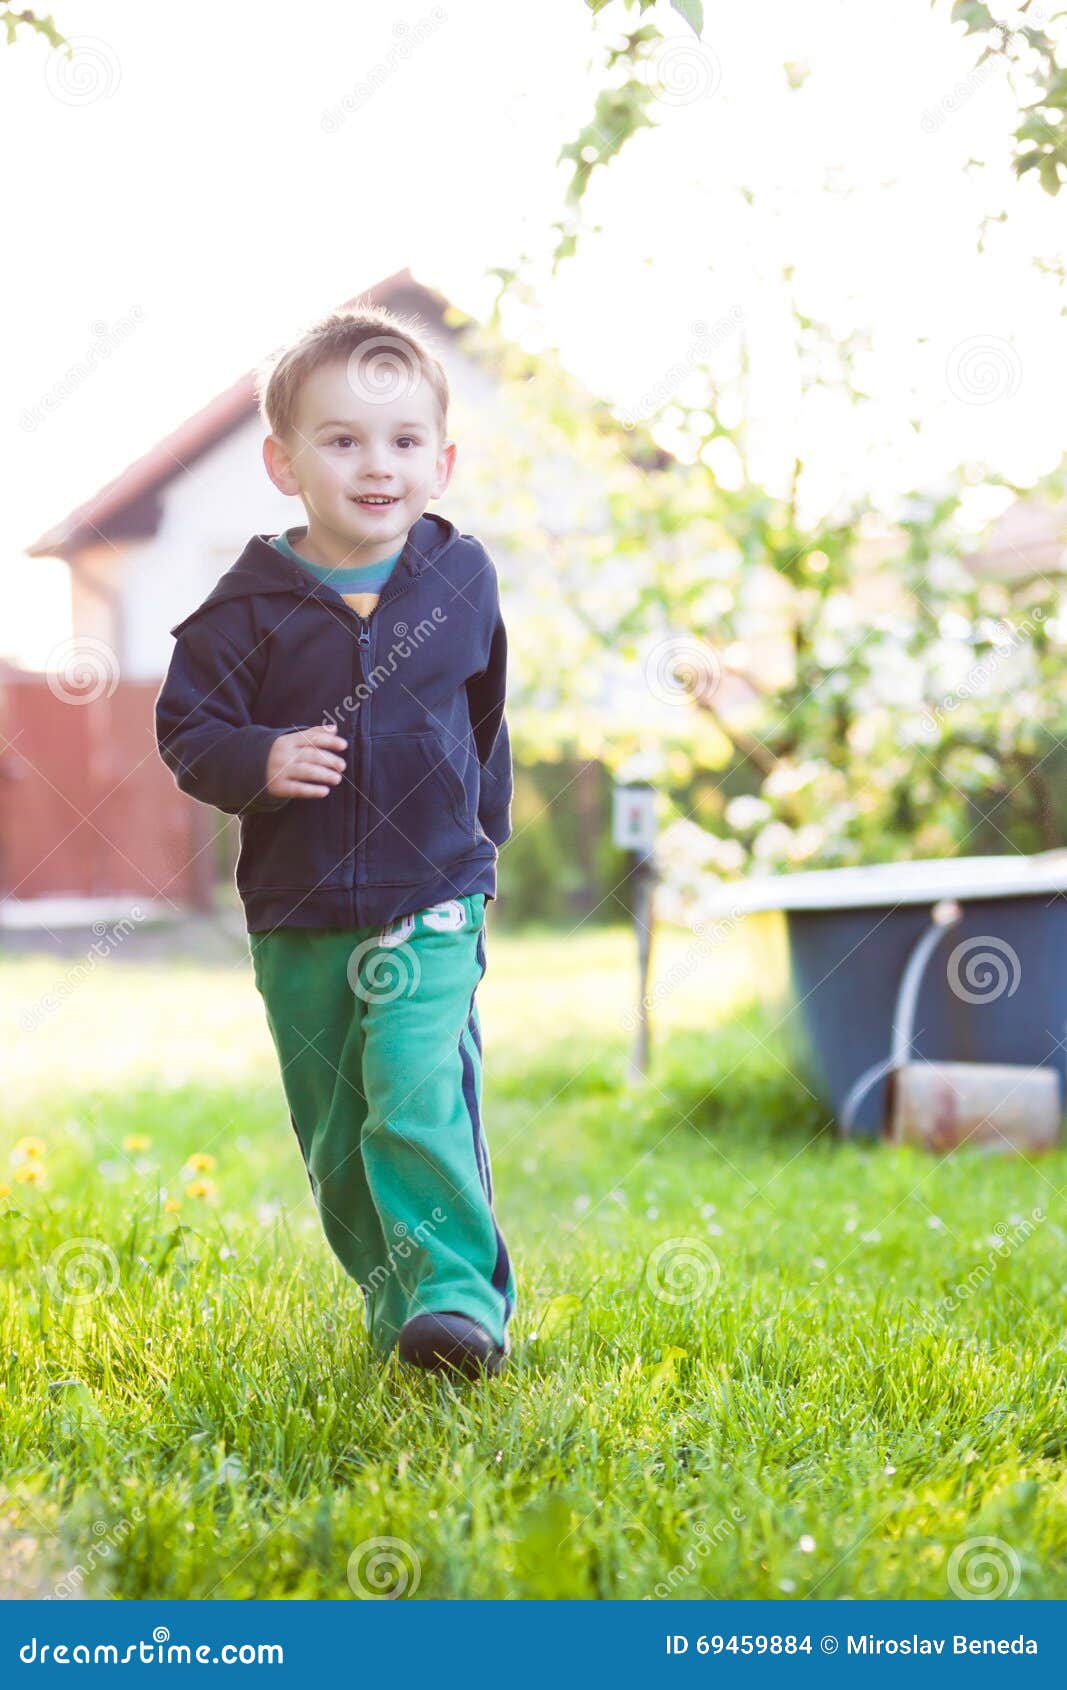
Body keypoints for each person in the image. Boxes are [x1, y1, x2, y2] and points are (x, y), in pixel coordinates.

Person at [154, 302, 516, 1380]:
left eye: (404, 441)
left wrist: (478, 845)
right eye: (342, 439)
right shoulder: (243, 608)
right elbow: (188, 731)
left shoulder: (461, 580)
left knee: (413, 1081)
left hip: (432, 889)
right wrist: (258, 760)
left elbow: (485, 719)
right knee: (338, 1127)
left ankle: (459, 1298)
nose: (377, 465)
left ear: (441, 461)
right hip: (300, 907)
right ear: (282, 461)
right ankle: (396, 1300)